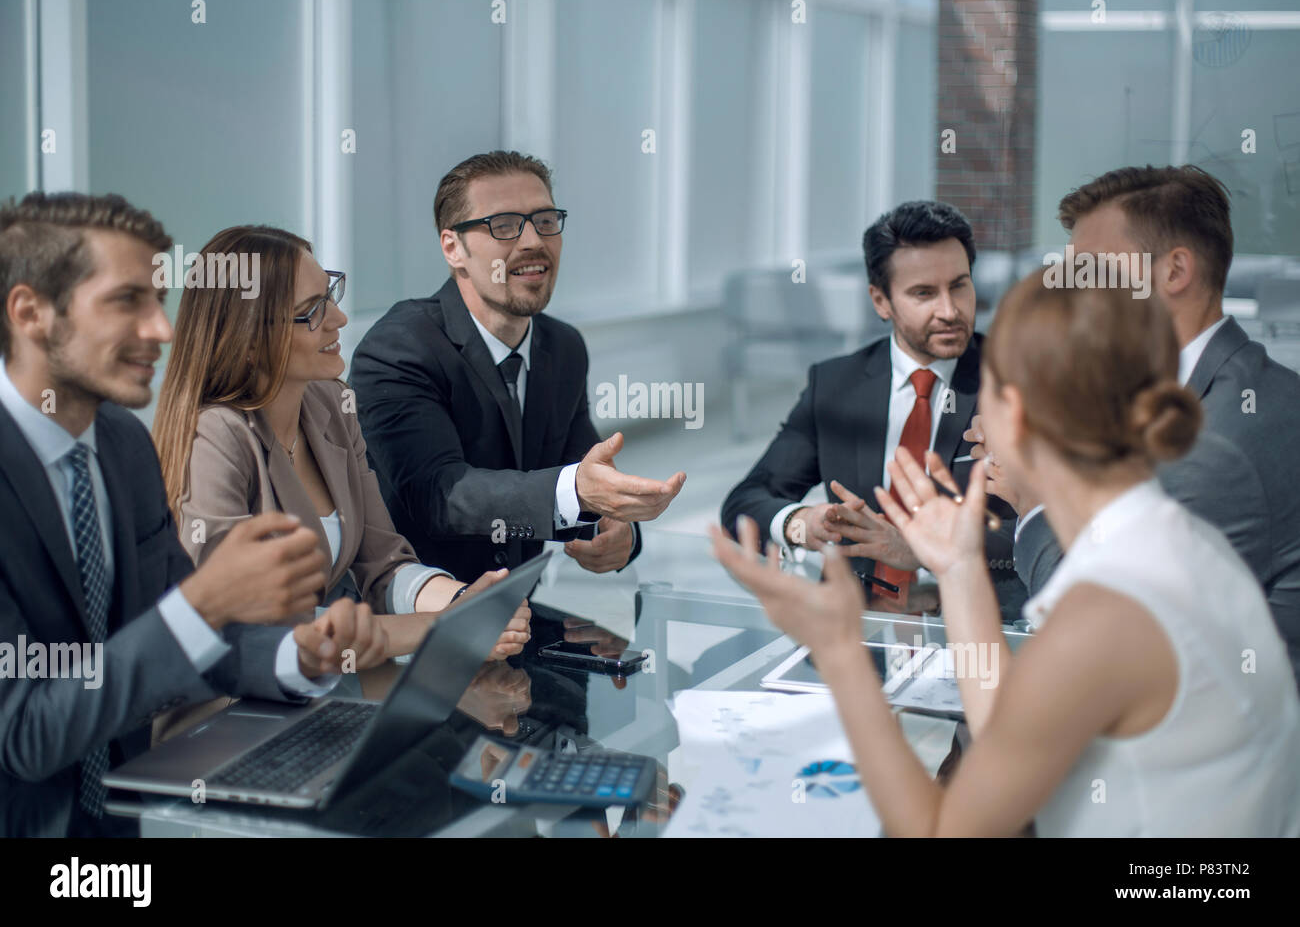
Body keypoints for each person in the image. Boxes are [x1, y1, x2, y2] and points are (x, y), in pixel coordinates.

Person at [713, 267, 1300, 836]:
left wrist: (839, 651)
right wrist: (961, 566)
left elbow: (942, 829)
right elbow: (1009, 732)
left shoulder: (1106, 613)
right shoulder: (1181, 538)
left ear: (1012, 415)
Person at [0, 193, 380, 837]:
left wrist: (300, 653)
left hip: (123, 824)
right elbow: (27, 735)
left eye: (158, 299)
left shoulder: (120, 444)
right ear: (31, 312)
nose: (162, 329)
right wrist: (203, 601)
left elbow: (189, 640)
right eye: (127, 301)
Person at [151, 225, 531, 735]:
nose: (339, 318)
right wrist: (440, 630)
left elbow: (381, 561)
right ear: (247, 339)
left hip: (324, 703)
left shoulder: (330, 402)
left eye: (328, 293)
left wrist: (460, 602)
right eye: (310, 312)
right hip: (228, 720)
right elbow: (240, 631)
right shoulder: (215, 435)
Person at [968, 165, 1300, 690]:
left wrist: (1032, 498)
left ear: (1174, 272)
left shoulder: (1223, 440)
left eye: (1091, 273)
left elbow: (1096, 628)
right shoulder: (1167, 393)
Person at [349, 150, 684, 590]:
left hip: (522, 615)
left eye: (545, 220)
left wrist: (617, 529)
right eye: (503, 225)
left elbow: (581, 470)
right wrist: (578, 493)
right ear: (454, 248)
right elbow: (442, 494)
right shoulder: (398, 347)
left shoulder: (562, 347)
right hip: (417, 623)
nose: (533, 241)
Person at [720, 200, 1019, 614]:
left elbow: (1052, 527)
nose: (949, 310)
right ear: (881, 301)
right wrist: (801, 523)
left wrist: (923, 550)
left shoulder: (1016, 381)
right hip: (856, 625)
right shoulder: (835, 385)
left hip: (979, 625)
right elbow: (745, 502)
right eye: (924, 293)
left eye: (959, 285)